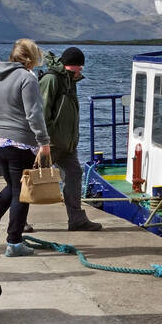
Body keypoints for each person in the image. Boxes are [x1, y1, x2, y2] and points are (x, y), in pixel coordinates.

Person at [0, 39, 51, 256]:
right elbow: (34, 113)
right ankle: (14, 242)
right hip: (19, 143)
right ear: (31, 57)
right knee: (22, 192)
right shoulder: (27, 78)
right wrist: (44, 142)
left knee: (12, 187)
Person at [40, 46, 100, 231]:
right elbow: (42, 111)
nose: (81, 69)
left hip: (67, 144)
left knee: (74, 175)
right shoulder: (51, 80)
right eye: (78, 66)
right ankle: (18, 221)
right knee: (30, 180)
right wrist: (44, 141)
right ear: (69, 65)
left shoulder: (69, 81)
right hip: (51, 143)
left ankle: (76, 219)